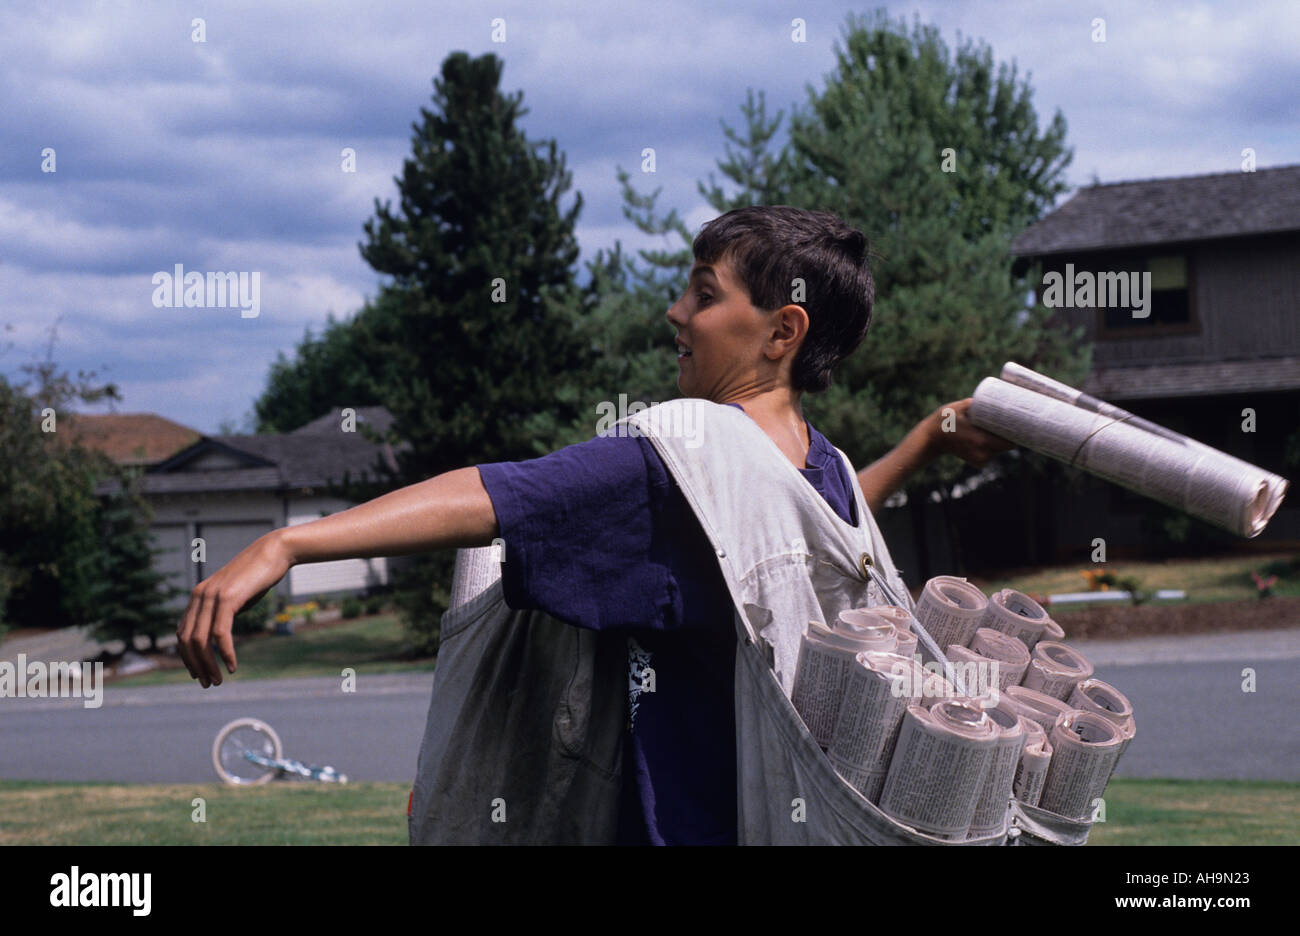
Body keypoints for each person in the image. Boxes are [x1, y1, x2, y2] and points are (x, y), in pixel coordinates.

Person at [176, 205, 1014, 845]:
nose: (675, 313)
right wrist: (922, 442)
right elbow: (791, 546)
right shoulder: (813, 463)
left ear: (780, 332)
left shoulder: (681, 457)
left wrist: (285, 542)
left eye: (704, 293)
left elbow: (502, 495)